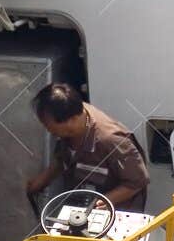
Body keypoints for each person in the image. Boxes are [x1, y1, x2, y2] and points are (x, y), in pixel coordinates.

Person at [25, 83, 149, 213]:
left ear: (71, 120)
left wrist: (105, 201)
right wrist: (41, 182)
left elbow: (138, 181)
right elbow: (64, 159)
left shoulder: (111, 140)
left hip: (115, 214)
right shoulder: (73, 117)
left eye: (48, 125)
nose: (48, 130)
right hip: (81, 204)